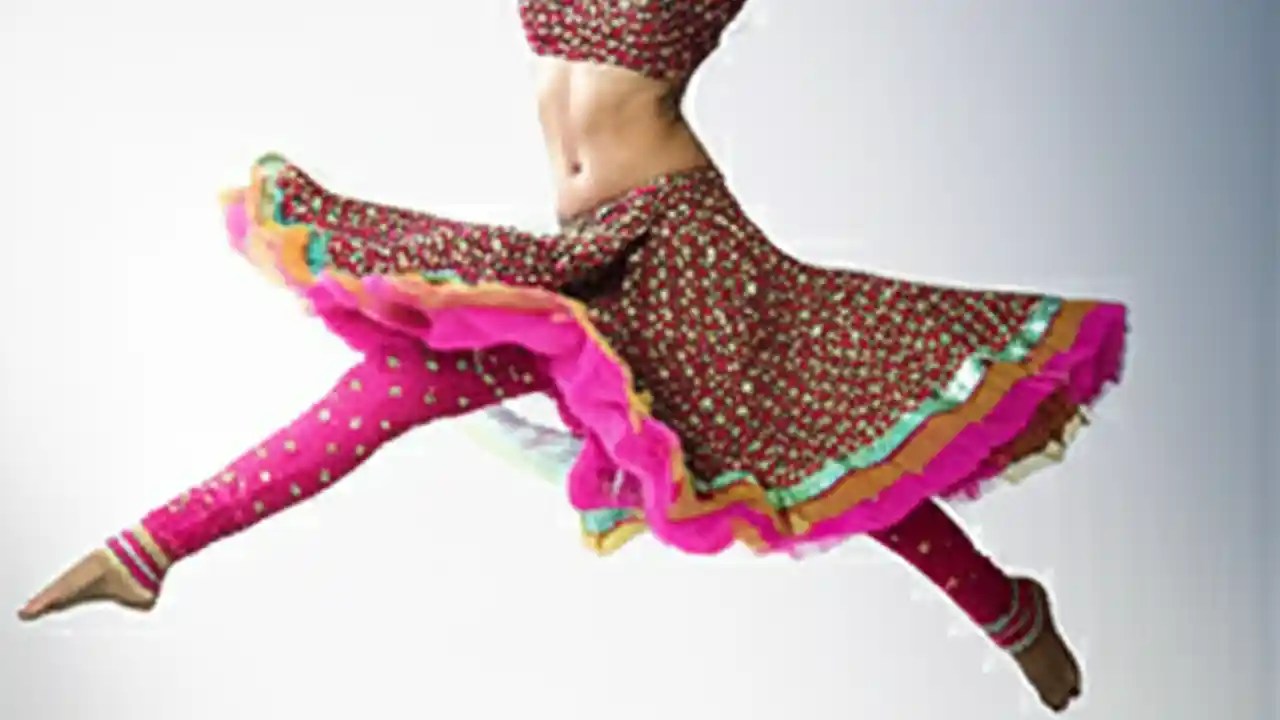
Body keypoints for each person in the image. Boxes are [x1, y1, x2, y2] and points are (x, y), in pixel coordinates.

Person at [17, 1, 1127, 713]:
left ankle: (1006, 613)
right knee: (393, 387)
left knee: (808, 450)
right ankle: (151, 549)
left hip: (681, 245)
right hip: (592, 249)